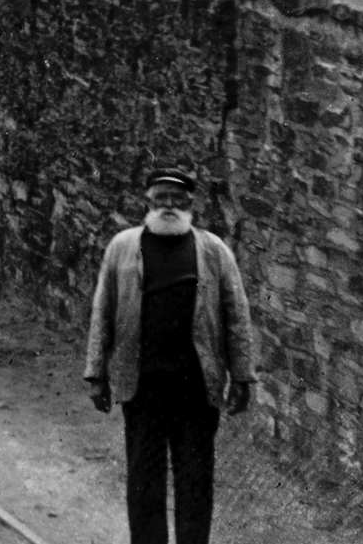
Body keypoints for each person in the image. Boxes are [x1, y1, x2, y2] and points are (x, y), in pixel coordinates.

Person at [84, 167, 259, 544]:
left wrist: (242, 376)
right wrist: (96, 372)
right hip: (142, 387)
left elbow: (237, 315)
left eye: (177, 199)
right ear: (147, 203)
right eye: (161, 198)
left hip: (196, 389)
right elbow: (103, 310)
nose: (169, 206)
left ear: (190, 205)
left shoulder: (213, 250)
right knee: (144, 481)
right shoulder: (122, 247)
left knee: (195, 481)